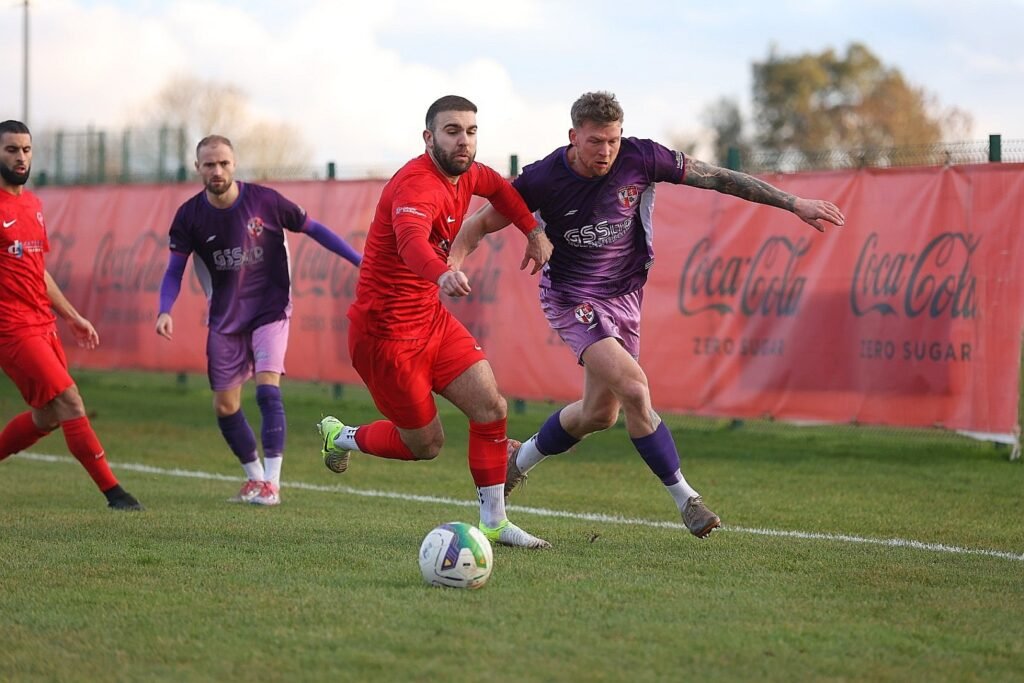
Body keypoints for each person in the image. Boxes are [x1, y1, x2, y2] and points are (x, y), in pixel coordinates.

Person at [449, 91, 846, 538]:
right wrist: (453, 266)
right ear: (573, 137)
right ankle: (687, 499)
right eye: (596, 141)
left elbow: (716, 177)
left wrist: (794, 203)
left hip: (625, 296)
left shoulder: (642, 157)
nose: (606, 151)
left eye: (613, 140)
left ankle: (517, 461)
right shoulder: (541, 178)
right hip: (571, 298)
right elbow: (479, 223)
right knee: (637, 390)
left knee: (600, 414)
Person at [317, 95, 554, 549]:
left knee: (492, 409)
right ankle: (340, 436)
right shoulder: (416, 185)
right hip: (385, 338)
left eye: (470, 131)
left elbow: (504, 191)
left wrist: (533, 230)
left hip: (431, 321)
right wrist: (442, 272)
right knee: (424, 445)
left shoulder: (469, 173)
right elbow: (410, 242)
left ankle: (494, 523)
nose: (463, 141)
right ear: (428, 137)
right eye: (451, 131)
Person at [156, 135, 361, 506]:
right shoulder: (189, 216)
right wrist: (164, 309)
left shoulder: (265, 201)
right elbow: (173, 270)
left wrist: (360, 261)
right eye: (209, 165)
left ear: (234, 164)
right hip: (225, 318)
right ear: (198, 168)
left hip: (271, 308)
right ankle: (255, 478)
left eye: (223, 163)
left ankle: (273, 483)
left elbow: (314, 229)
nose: (217, 170)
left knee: (268, 389)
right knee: (225, 407)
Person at [0, 120, 144, 511]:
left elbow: (37, 270)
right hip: (12, 329)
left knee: (47, 416)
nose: (20, 157)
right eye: (12, 149)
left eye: (26, 149)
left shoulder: (32, 205)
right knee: (70, 401)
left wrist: (72, 315)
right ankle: (116, 495)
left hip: (43, 323)